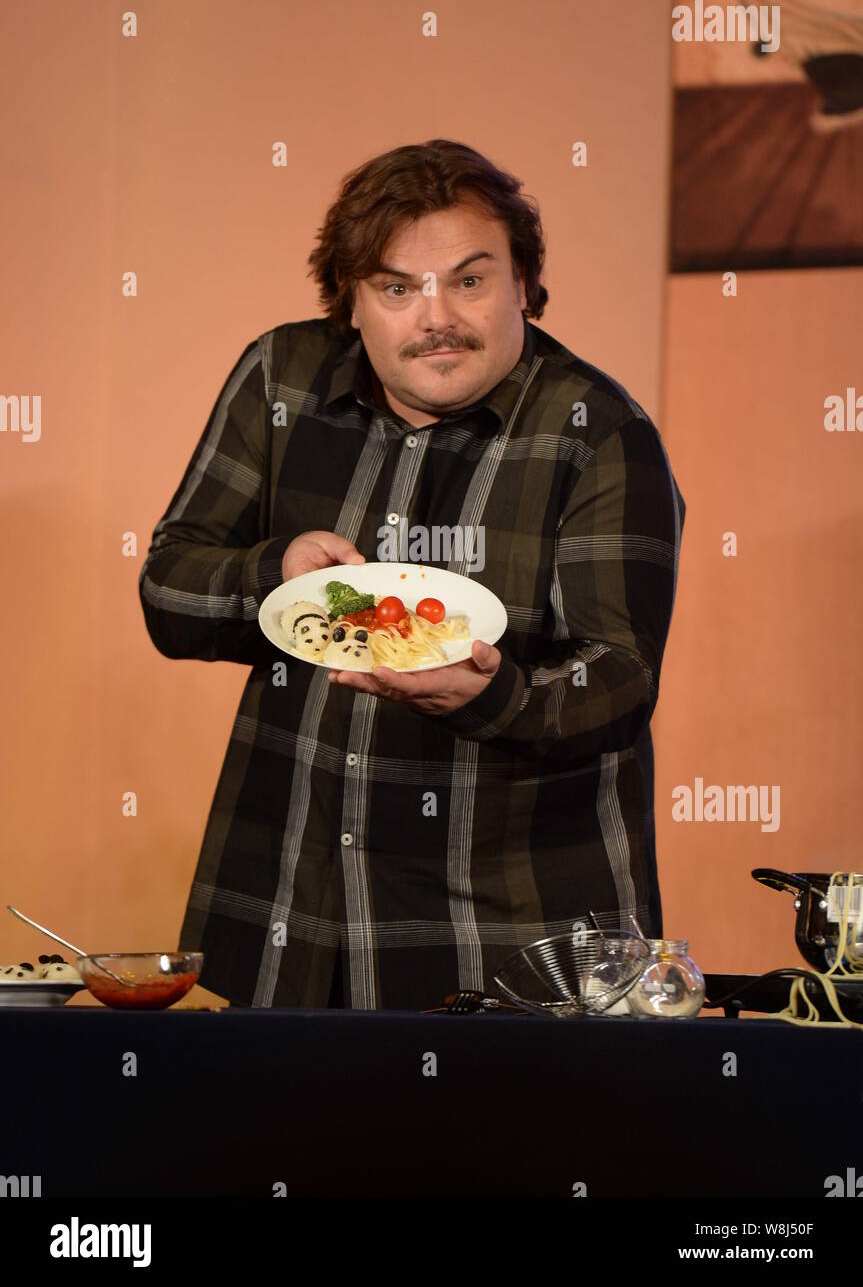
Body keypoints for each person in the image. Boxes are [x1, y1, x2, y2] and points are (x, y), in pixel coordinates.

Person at [139, 138, 685, 1011]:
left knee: (507, 1155)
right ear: (352, 302)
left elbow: (619, 678)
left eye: (469, 281)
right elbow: (169, 594)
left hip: (509, 938)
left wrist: (494, 694)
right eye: (397, 288)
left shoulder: (598, 432)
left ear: (523, 285)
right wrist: (273, 571)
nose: (436, 317)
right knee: (279, 1152)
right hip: (296, 908)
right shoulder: (281, 379)